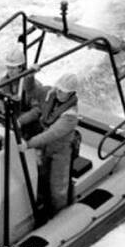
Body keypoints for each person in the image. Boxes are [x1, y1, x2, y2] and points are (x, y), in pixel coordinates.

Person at [24, 74, 79, 218]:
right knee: (39, 179)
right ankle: (41, 208)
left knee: (57, 190)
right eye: (58, 89)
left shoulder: (70, 116)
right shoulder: (49, 93)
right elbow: (30, 89)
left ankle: (60, 217)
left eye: (63, 91)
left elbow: (51, 134)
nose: (59, 93)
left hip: (59, 152)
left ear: (71, 93)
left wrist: (27, 144)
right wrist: (30, 74)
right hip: (43, 148)